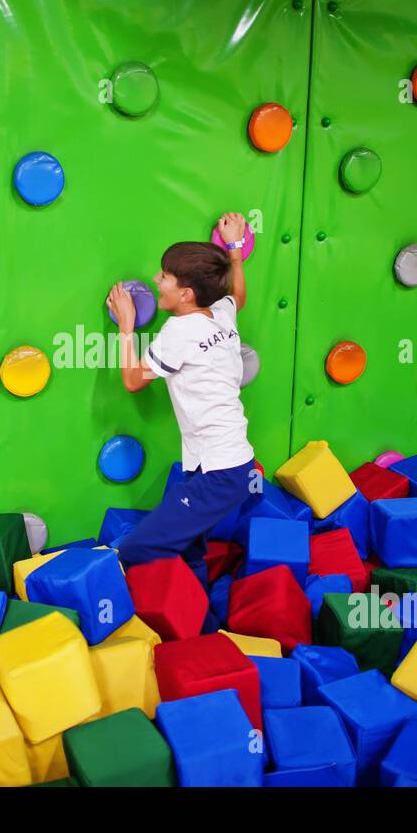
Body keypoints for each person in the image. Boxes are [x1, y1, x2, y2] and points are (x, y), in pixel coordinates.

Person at [106, 212, 258, 585]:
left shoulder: (180, 330)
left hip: (219, 472)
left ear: (186, 294)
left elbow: (132, 380)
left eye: (164, 277)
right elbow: (237, 296)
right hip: (224, 465)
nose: (157, 280)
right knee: (189, 551)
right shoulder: (221, 314)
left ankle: (194, 626)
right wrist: (234, 249)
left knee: (136, 549)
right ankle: (198, 631)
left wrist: (126, 325)